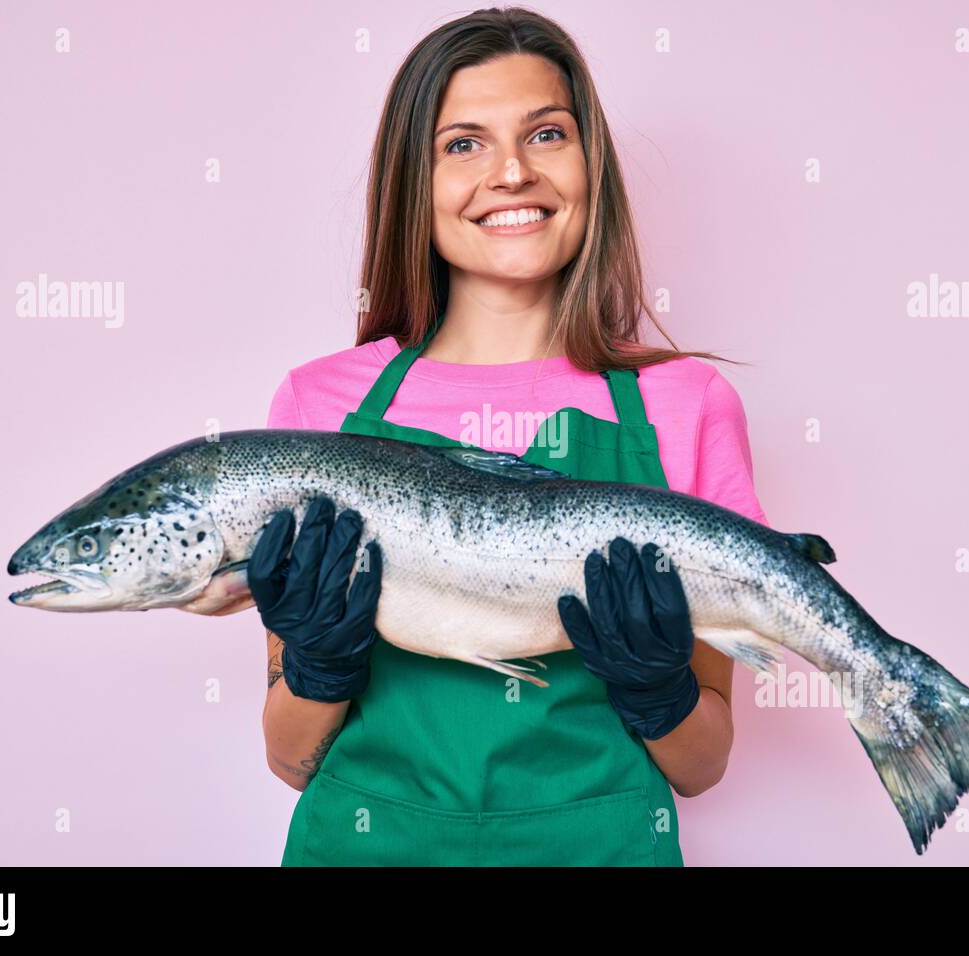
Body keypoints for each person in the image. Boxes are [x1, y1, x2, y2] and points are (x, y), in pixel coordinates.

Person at [255, 7, 770, 866]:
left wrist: (659, 693)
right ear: (411, 184)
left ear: (589, 164)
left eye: (547, 133)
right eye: (463, 144)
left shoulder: (685, 405)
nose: (511, 173)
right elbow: (287, 757)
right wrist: (315, 664)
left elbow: (703, 766)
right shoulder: (319, 405)